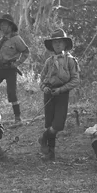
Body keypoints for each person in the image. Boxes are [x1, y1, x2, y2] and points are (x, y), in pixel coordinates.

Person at [37, 28, 80, 161]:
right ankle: (50, 152)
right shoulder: (48, 61)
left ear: (65, 44)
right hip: (49, 93)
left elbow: (75, 79)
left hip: (62, 93)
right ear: (52, 45)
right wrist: (44, 87)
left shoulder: (70, 60)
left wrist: (61, 89)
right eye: (55, 42)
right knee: (49, 122)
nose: (58, 45)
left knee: (58, 124)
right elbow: (42, 78)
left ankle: (43, 137)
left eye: (60, 42)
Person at [0, 13, 29, 125]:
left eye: (4, 25)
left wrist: (17, 63)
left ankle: (18, 117)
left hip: (10, 69)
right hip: (0, 68)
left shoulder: (16, 39)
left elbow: (25, 52)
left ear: (10, 26)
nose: (2, 27)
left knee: (12, 93)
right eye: (1, 25)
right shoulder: (2, 39)